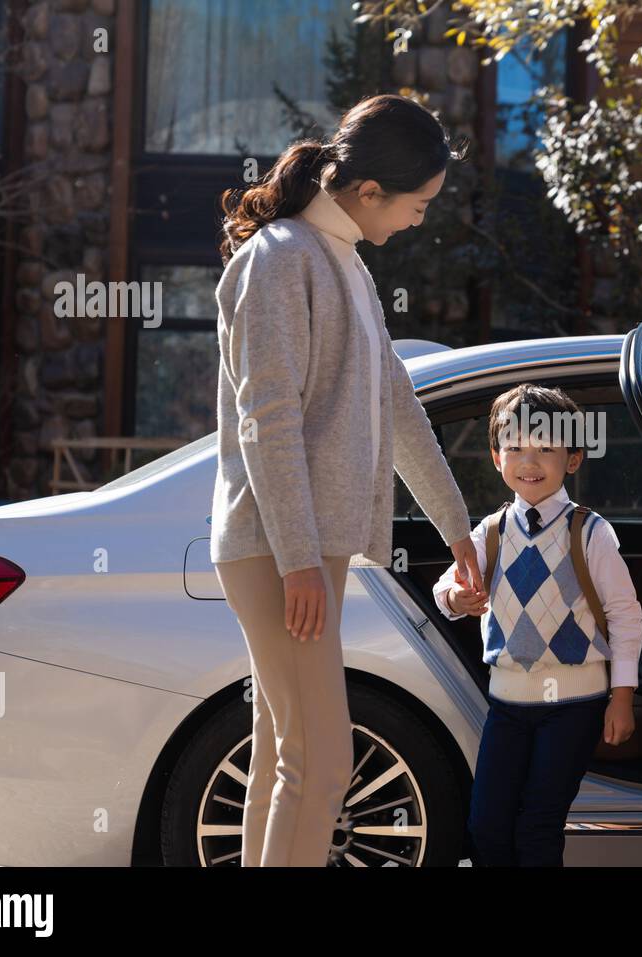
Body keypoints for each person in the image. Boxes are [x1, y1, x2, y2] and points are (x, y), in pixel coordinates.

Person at [211, 94, 484, 867]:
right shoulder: (281, 258)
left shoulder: (346, 267)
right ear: (369, 191)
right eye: (419, 204)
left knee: (283, 759)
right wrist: (299, 557)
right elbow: (267, 418)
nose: (421, 220)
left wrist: (456, 528)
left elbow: (398, 404)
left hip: (299, 550)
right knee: (322, 762)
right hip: (276, 550)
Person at [432, 384, 642, 866]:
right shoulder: (488, 532)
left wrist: (623, 697)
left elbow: (625, 617)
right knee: (486, 825)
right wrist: (457, 598)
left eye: (546, 448)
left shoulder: (590, 532)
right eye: (516, 447)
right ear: (496, 457)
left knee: (537, 827)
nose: (530, 461)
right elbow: (443, 591)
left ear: (572, 459)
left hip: (574, 705)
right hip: (507, 705)